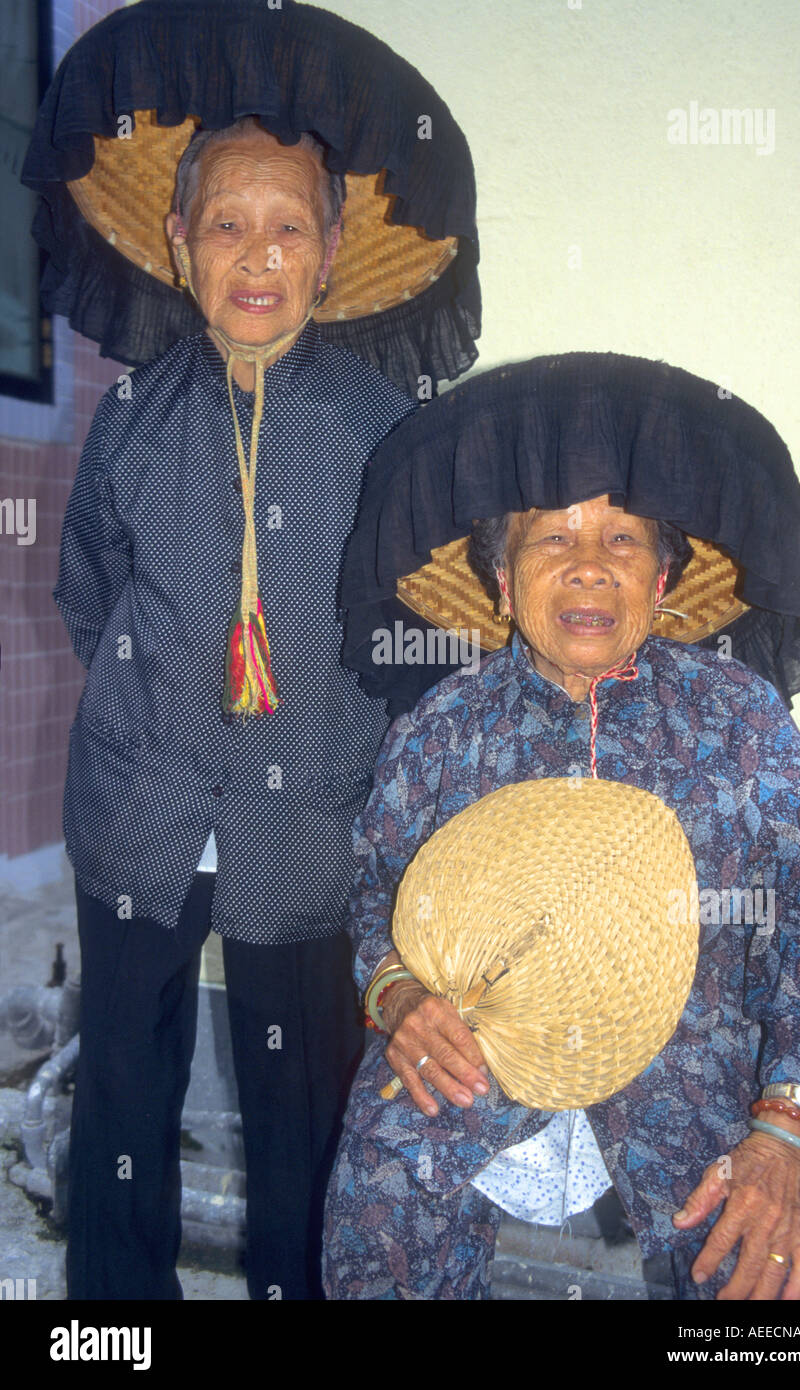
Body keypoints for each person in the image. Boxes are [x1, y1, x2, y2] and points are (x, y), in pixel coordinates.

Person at [30, 1, 481, 1301]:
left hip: (311, 824)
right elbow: (88, 597)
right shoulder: (127, 419)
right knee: (125, 1095)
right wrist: (161, 711)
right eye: (226, 221)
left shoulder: (392, 431)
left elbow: (421, 642)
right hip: (141, 811)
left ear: (334, 251)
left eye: (290, 224)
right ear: (177, 245)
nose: (258, 254)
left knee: (306, 1119)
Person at [323, 354, 800, 1300]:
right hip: (480, 1054)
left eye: (621, 537)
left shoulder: (742, 721)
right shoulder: (442, 728)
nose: (587, 564)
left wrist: (789, 1124)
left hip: (702, 1070)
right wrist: (397, 994)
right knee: (378, 1207)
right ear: (497, 576)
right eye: (549, 538)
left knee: (766, 1272)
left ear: (661, 581)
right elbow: (375, 890)